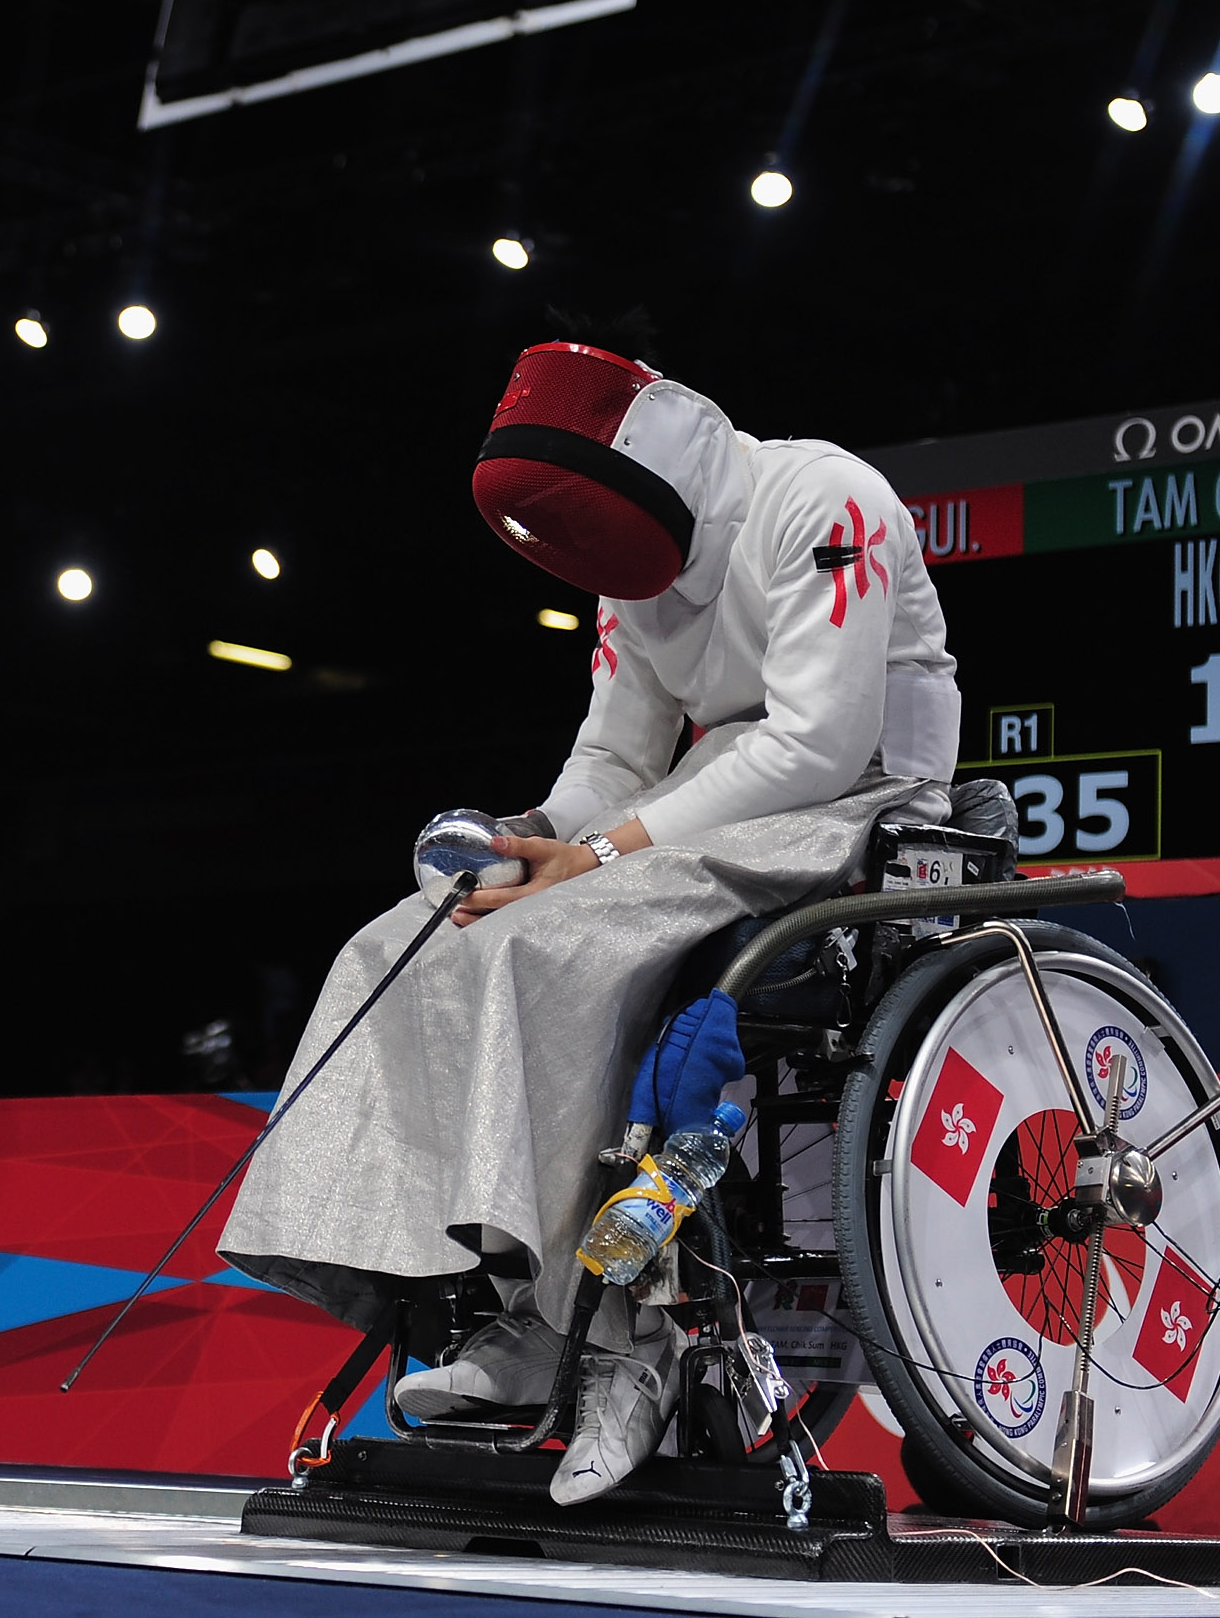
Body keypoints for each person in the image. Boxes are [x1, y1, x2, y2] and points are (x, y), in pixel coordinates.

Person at [217, 331, 959, 1504]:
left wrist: (602, 854)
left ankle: (625, 1335)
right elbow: (616, 754)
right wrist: (531, 842)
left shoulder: (826, 495)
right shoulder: (635, 573)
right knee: (409, 941)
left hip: (862, 802)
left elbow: (819, 738)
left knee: (561, 945)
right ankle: (502, 1304)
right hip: (710, 808)